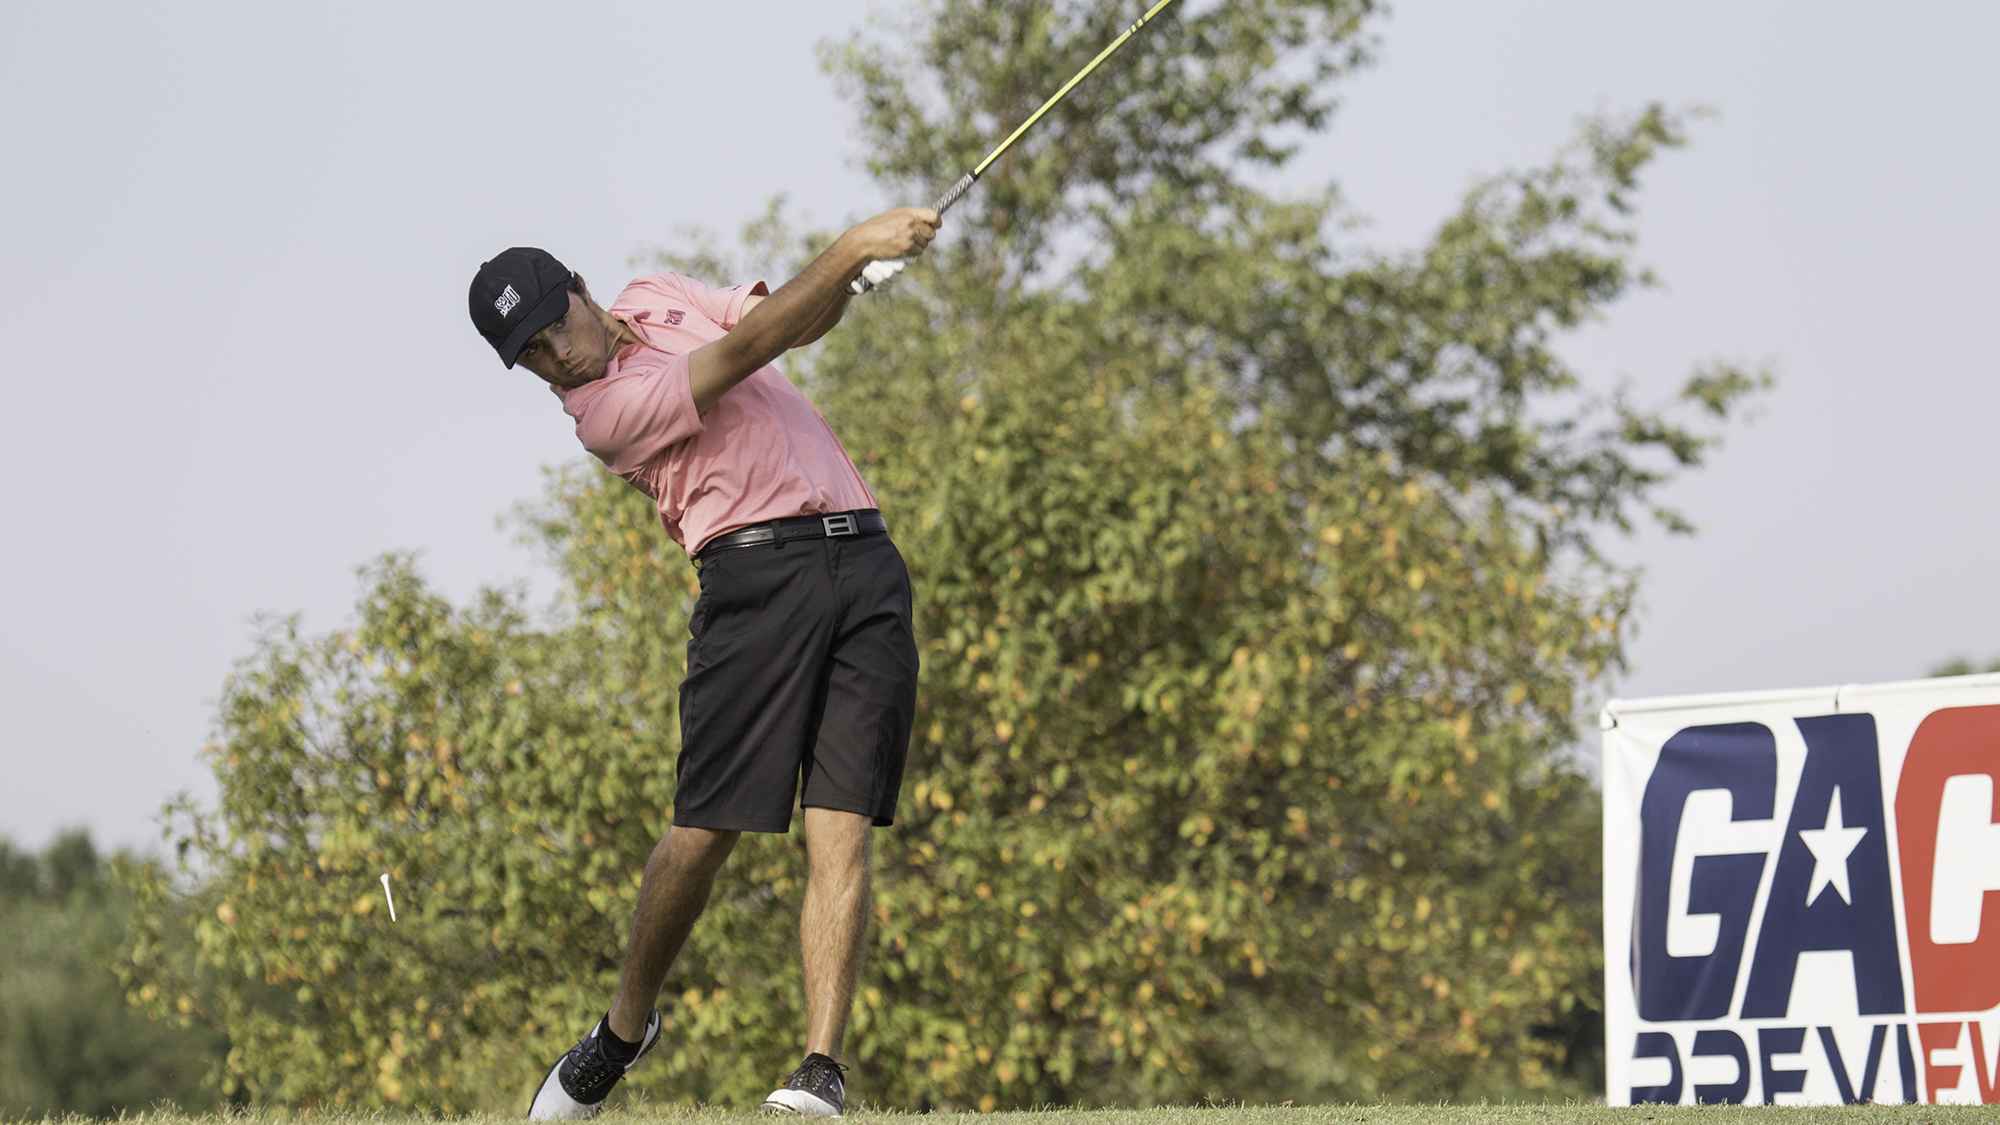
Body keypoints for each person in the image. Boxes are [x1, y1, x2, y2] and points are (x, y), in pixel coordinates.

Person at [466, 208, 940, 1119]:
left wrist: (848, 280)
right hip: (755, 578)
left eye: (551, 328)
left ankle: (819, 1070)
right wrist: (849, 248)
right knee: (706, 828)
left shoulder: (657, 295)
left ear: (580, 290)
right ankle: (620, 1032)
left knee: (841, 822)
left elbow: (794, 321)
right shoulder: (601, 416)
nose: (554, 358)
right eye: (529, 355)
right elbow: (750, 350)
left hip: (866, 555)